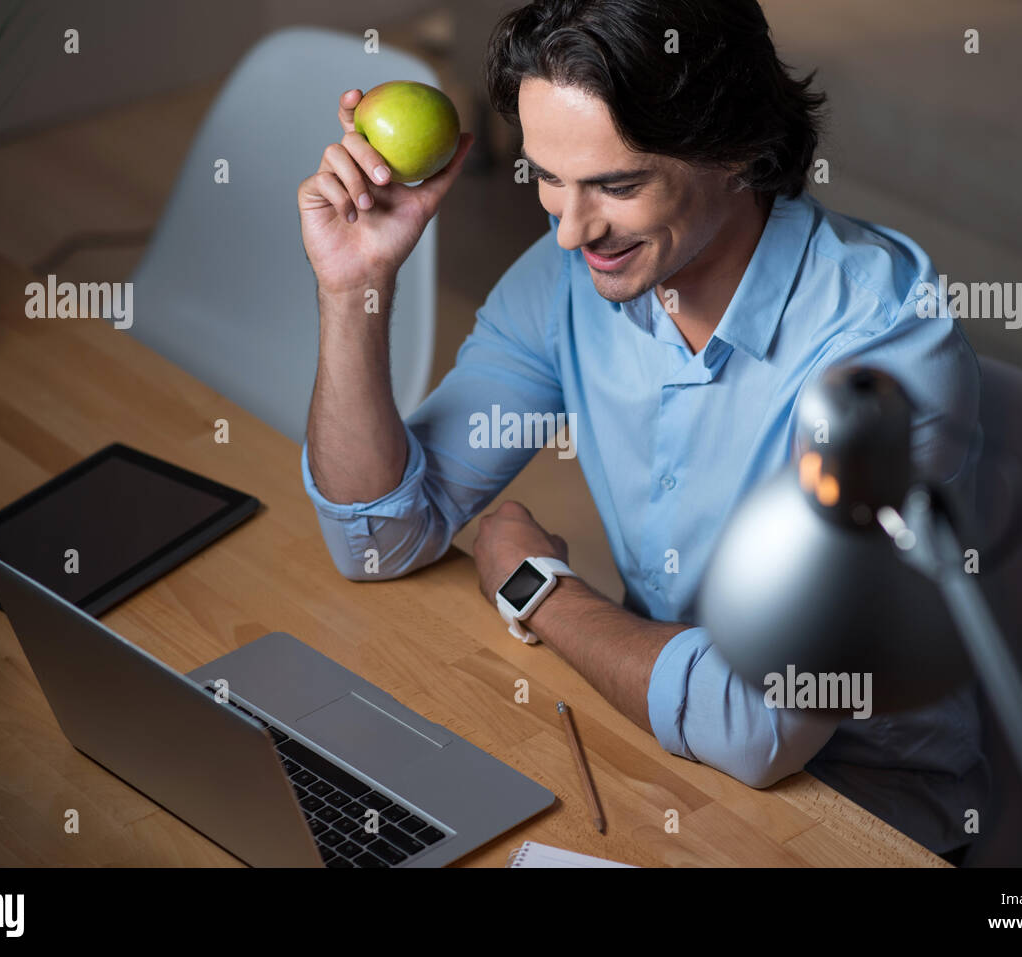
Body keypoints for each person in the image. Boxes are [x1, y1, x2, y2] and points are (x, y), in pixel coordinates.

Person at [295, 0, 987, 864]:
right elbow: (377, 540)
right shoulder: (569, 278)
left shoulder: (880, 356)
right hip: (654, 752)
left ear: (735, 150)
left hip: (857, 823)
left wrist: (535, 589)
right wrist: (351, 287)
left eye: (617, 186)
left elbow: (754, 725)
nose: (569, 229)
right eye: (547, 176)